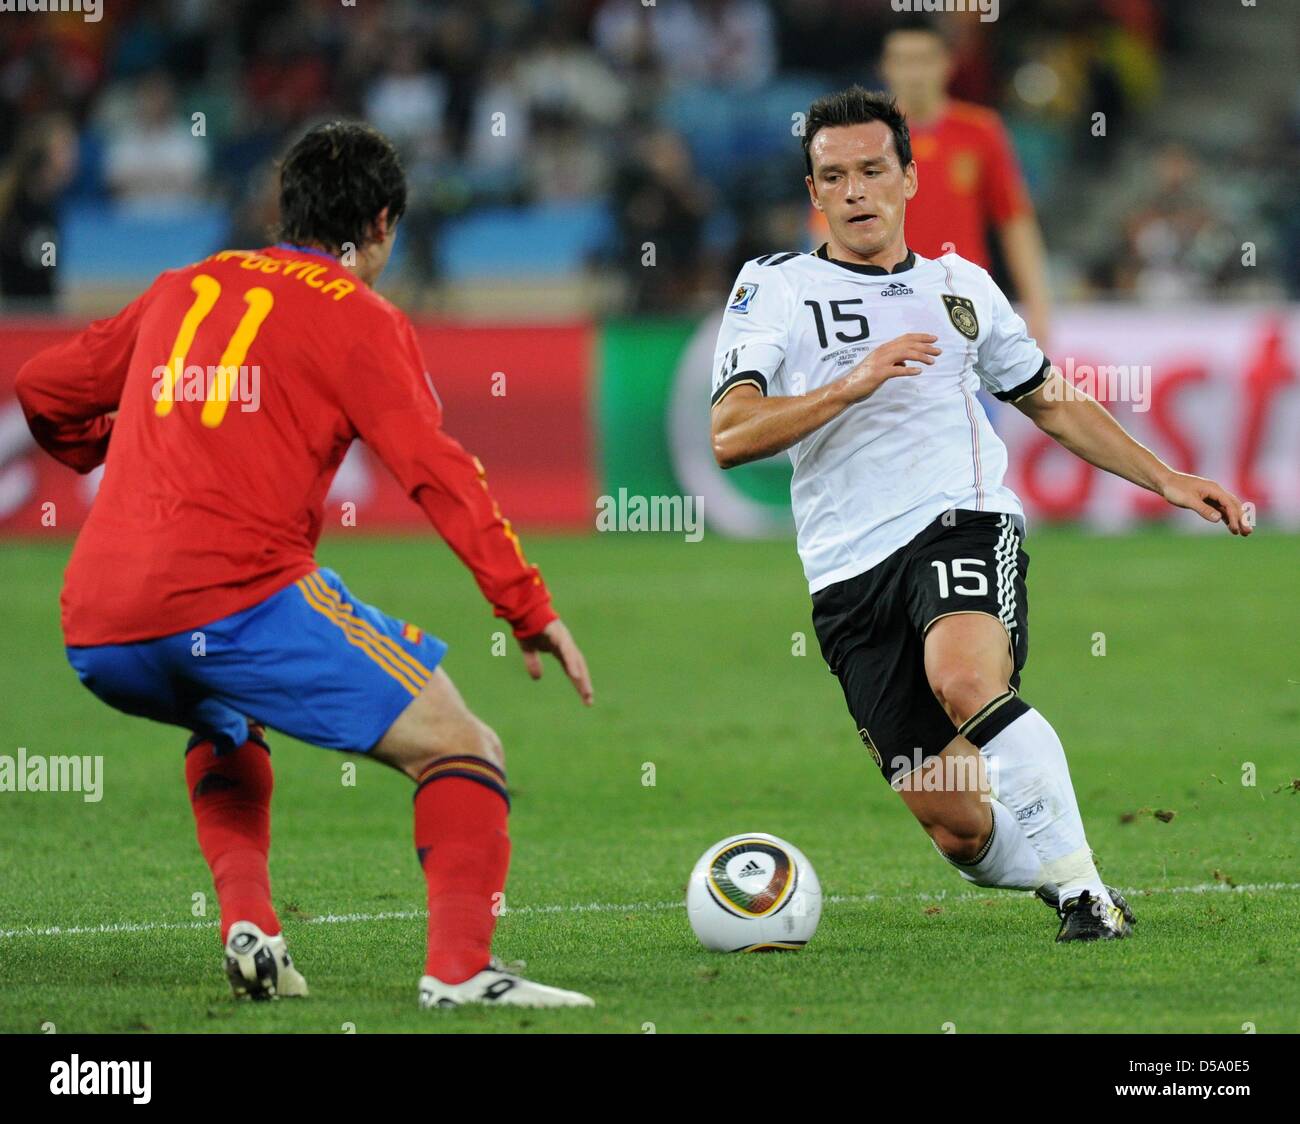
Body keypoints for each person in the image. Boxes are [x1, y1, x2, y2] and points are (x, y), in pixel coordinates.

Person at [15, 121, 595, 1006]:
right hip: (235, 598)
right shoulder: (361, 319)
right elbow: (437, 473)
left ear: (285, 213)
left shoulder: (185, 286)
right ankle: (462, 972)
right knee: (463, 746)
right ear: (384, 226)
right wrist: (526, 605)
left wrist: (104, 453)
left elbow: (45, 390)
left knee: (227, 723)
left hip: (98, 624)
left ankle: (251, 926)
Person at [710, 87, 1250, 941]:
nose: (855, 191)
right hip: (846, 571)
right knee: (955, 825)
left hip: (958, 520)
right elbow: (732, 435)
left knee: (965, 677)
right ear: (814, 194)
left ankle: (1085, 894)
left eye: (872, 171)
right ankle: (1054, 865)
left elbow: (1051, 401)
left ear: (909, 179)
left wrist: (1166, 477)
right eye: (834, 176)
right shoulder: (773, 289)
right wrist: (853, 380)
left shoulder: (962, 284)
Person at [811, 18, 1052, 346]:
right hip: (882, 306)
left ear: (947, 64)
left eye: (924, 60)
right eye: (903, 61)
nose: (914, 73)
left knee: (975, 397)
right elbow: (827, 222)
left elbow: (1014, 220)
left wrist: (1038, 305)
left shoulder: (981, 131)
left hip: (965, 307)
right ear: (885, 68)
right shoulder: (860, 137)